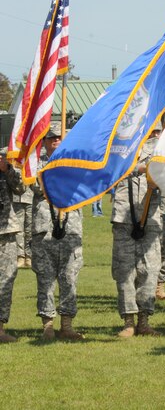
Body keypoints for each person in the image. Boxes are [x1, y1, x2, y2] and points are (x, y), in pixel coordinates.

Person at [29, 123, 86, 340]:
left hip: (70, 228)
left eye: (59, 137)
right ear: (43, 141)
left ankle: (67, 325)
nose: (55, 141)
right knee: (45, 279)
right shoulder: (36, 165)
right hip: (44, 229)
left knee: (69, 278)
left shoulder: (76, 164)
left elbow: (83, 187)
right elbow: (35, 186)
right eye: (51, 137)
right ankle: (48, 325)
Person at [111, 127, 164, 337]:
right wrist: (141, 168)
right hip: (124, 215)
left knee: (149, 271)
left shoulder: (161, 148)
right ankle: (128, 321)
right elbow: (112, 169)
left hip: (150, 217)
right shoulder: (121, 146)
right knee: (125, 271)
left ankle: (144, 320)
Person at [0, 147, 25, 343]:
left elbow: (21, 187)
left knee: (6, 280)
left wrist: (7, 169)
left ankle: (0, 329)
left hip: (6, 231)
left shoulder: (4, 162)